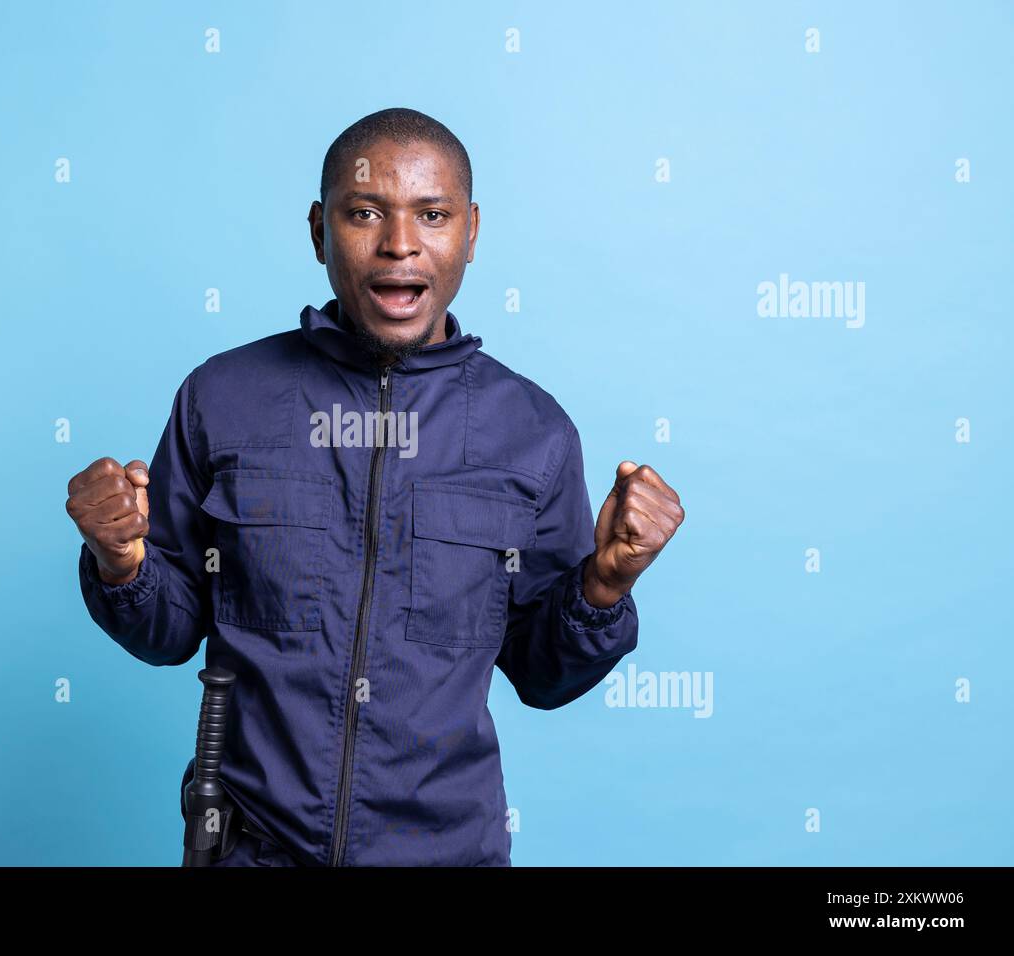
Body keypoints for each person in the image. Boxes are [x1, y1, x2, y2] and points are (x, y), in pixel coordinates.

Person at [65, 107, 685, 866]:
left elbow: (541, 673)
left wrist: (605, 585)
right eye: (365, 214)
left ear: (472, 230)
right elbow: (168, 631)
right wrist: (121, 562)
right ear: (319, 229)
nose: (399, 244)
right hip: (251, 852)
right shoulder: (222, 398)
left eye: (432, 214)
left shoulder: (532, 432)